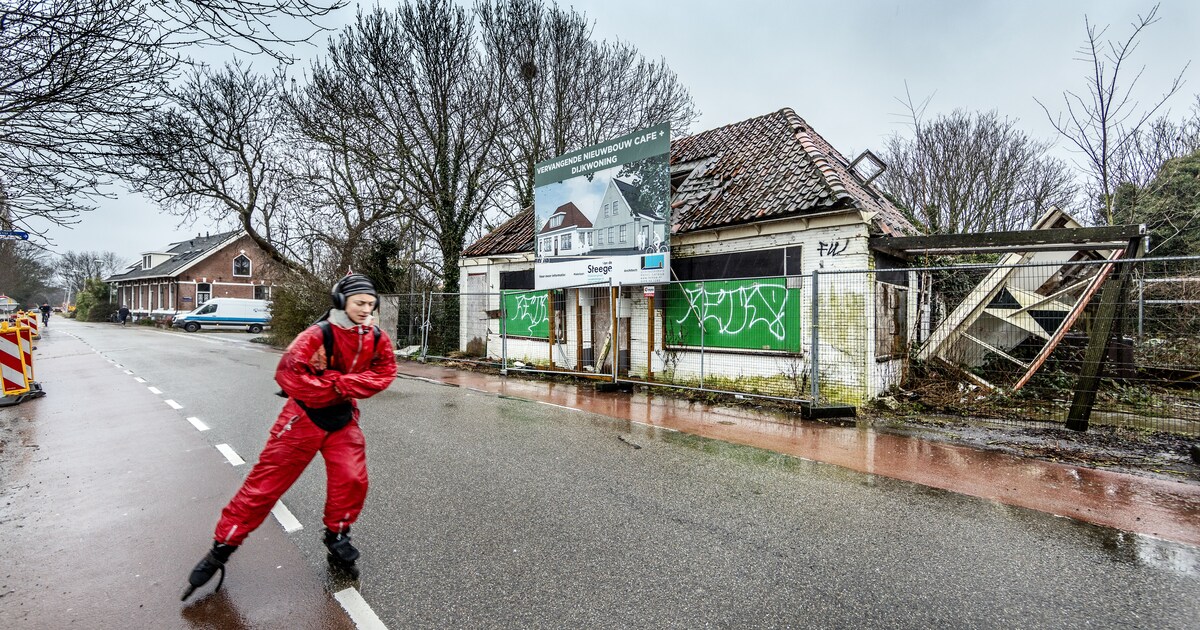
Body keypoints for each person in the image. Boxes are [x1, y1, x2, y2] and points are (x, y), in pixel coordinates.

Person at [182, 274, 397, 601]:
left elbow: (384, 373)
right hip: (301, 420)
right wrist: (336, 386)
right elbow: (288, 374)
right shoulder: (316, 334)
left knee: (353, 480)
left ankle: (338, 536)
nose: (366, 309)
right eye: (359, 303)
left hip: (342, 420)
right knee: (265, 484)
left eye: (370, 304)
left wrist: (340, 385)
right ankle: (222, 548)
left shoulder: (376, 337)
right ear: (341, 302)